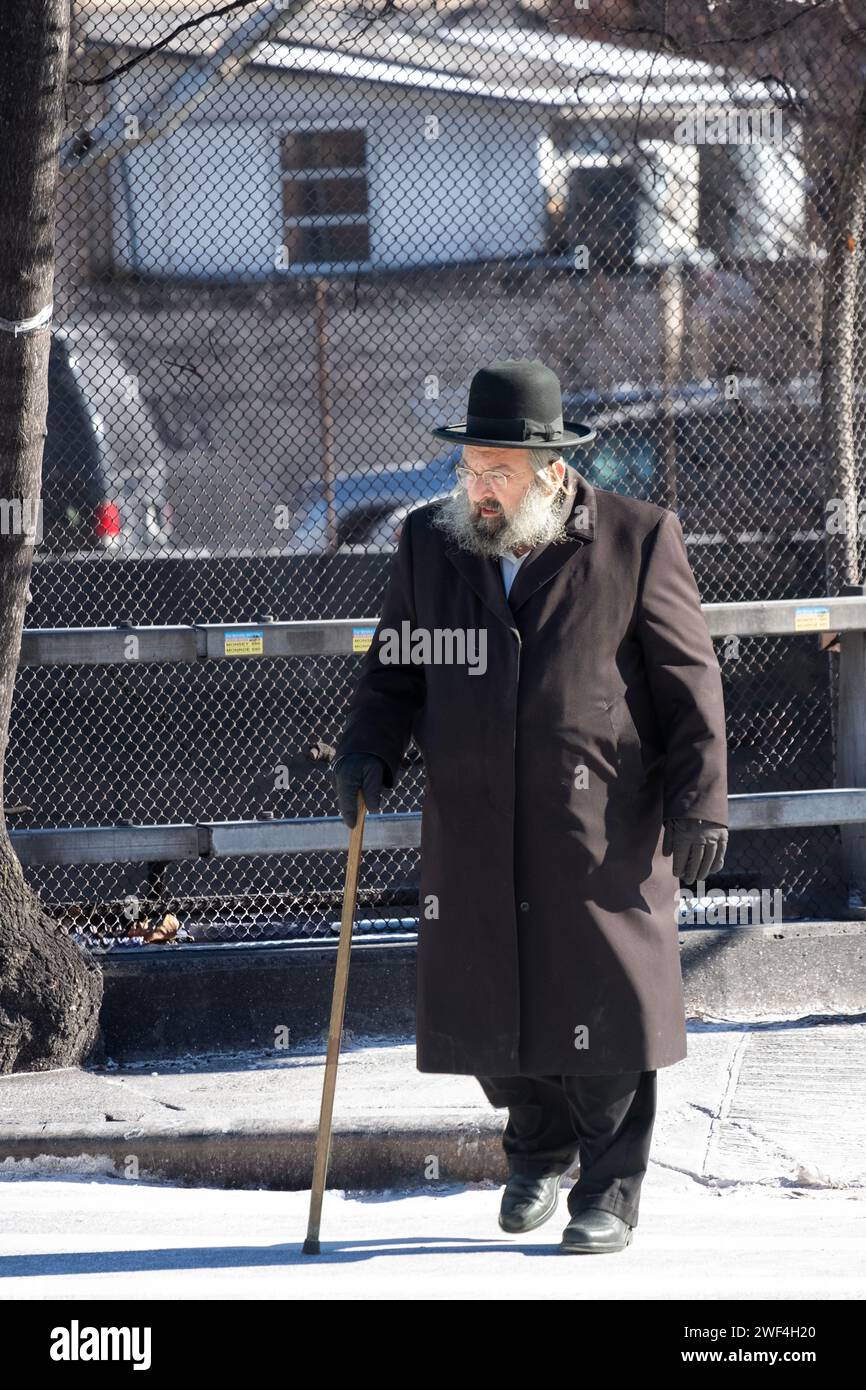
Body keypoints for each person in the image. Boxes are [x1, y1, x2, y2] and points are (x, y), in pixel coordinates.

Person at [332, 358, 728, 1254]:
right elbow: (396, 672)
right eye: (469, 468)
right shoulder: (431, 545)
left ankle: (610, 1188)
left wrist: (701, 802)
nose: (477, 487)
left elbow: (688, 682)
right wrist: (366, 747)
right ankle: (536, 1152)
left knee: (605, 1006)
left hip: (597, 827)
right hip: (474, 823)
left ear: (551, 470)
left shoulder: (634, 538)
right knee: (485, 1007)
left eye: (496, 472)